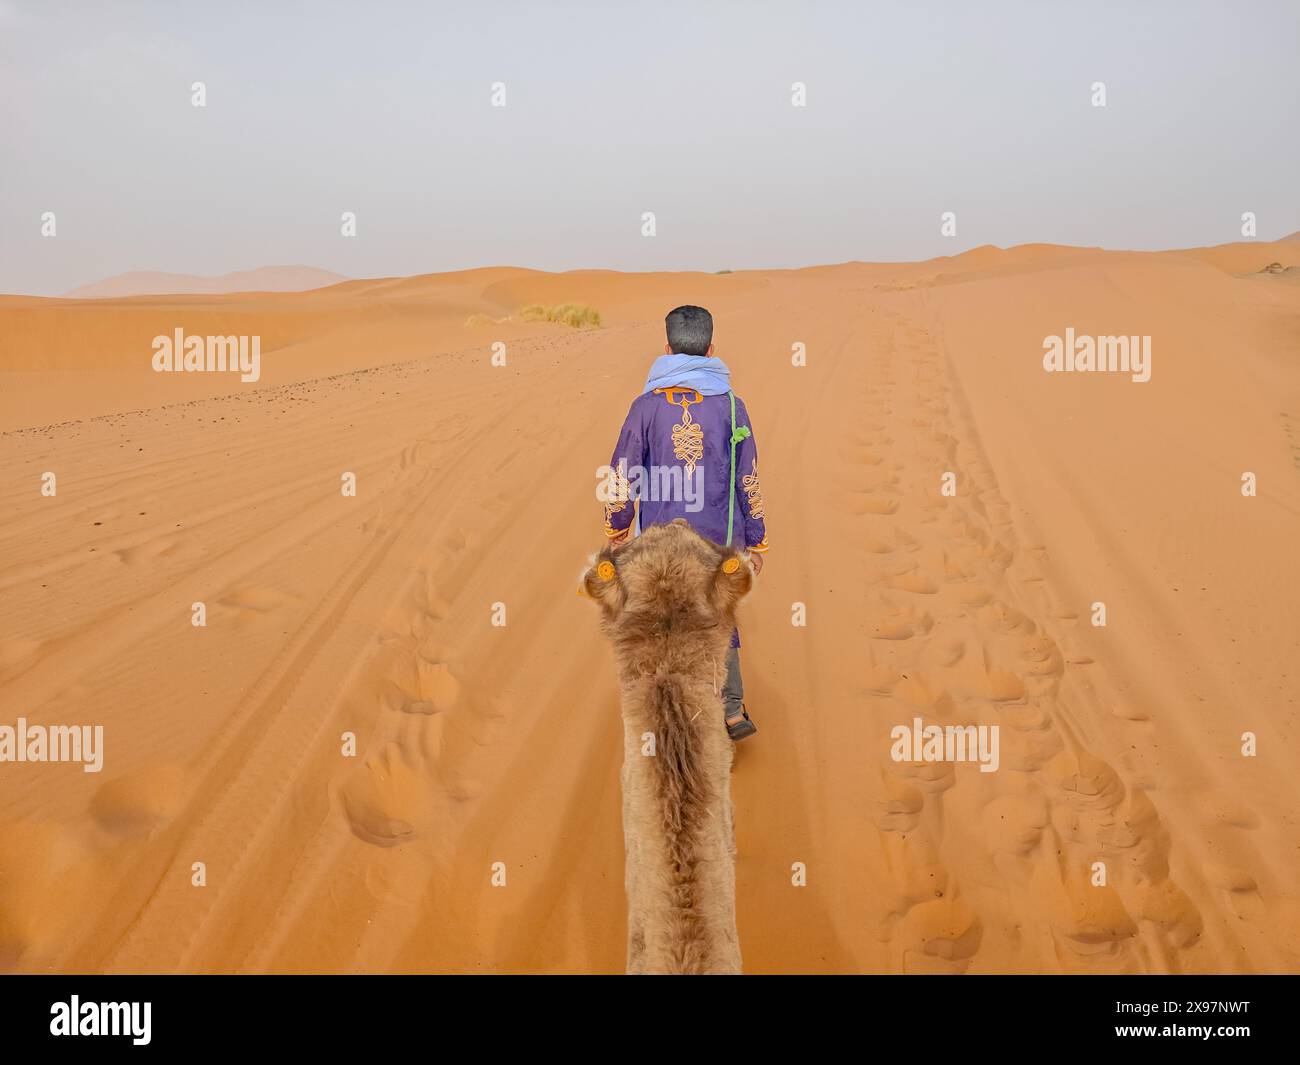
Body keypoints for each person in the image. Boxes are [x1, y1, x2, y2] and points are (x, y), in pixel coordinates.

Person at [601, 305, 768, 740]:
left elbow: (622, 474)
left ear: (668, 348)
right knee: (717, 617)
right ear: (711, 349)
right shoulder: (732, 405)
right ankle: (731, 711)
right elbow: (748, 475)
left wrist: (617, 528)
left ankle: (664, 716)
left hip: (660, 544)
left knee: (663, 622)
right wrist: (757, 539)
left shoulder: (646, 407)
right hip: (719, 539)